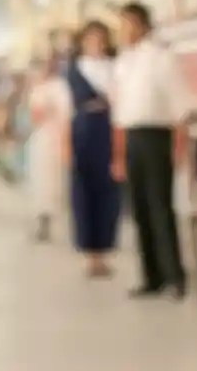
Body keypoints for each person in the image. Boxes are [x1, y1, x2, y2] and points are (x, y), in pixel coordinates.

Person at [112, 3, 189, 299]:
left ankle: (175, 276)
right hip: (131, 138)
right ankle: (151, 275)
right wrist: (118, 155)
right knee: (139, 210)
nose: (122, 31)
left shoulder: (161, 58)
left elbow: (179, 108)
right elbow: (119, 114)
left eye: (127, 24)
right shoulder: (124, 62)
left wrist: (180, 149)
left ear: (141, 24)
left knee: (160, 207)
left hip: (157, 137)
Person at [64, 22, 121, 277]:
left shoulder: (116, 67)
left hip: (109, 130)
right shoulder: (73, 70)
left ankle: (104, 249)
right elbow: (65, 109)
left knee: (108, 192)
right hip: (82, 132)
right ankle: (89, 252)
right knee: (83, 193)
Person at [24, 58, 69, 243]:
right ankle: (44, 219)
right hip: (47, 138)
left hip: (51, 138)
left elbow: (39, 114)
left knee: (49, 182)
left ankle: (48, 219)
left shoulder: (53, 88)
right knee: (46, 182)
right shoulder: (47, 88)